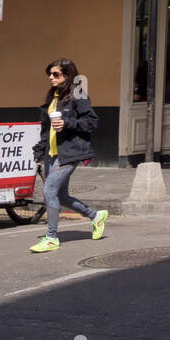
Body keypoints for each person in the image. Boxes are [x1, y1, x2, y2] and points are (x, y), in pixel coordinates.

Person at [28, 58, 107, 253]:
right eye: (50, 74)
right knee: (61, 196)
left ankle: (51, 237)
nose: (51, 77)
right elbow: (46, 130)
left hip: (71, 152)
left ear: (67, 76)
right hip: (52, 153)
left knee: (48, 191)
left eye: (56, 74)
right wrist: (40, 151)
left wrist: (67, 123)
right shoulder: (52, 96)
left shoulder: (78, 95)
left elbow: (92, 122)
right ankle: (96, 216)